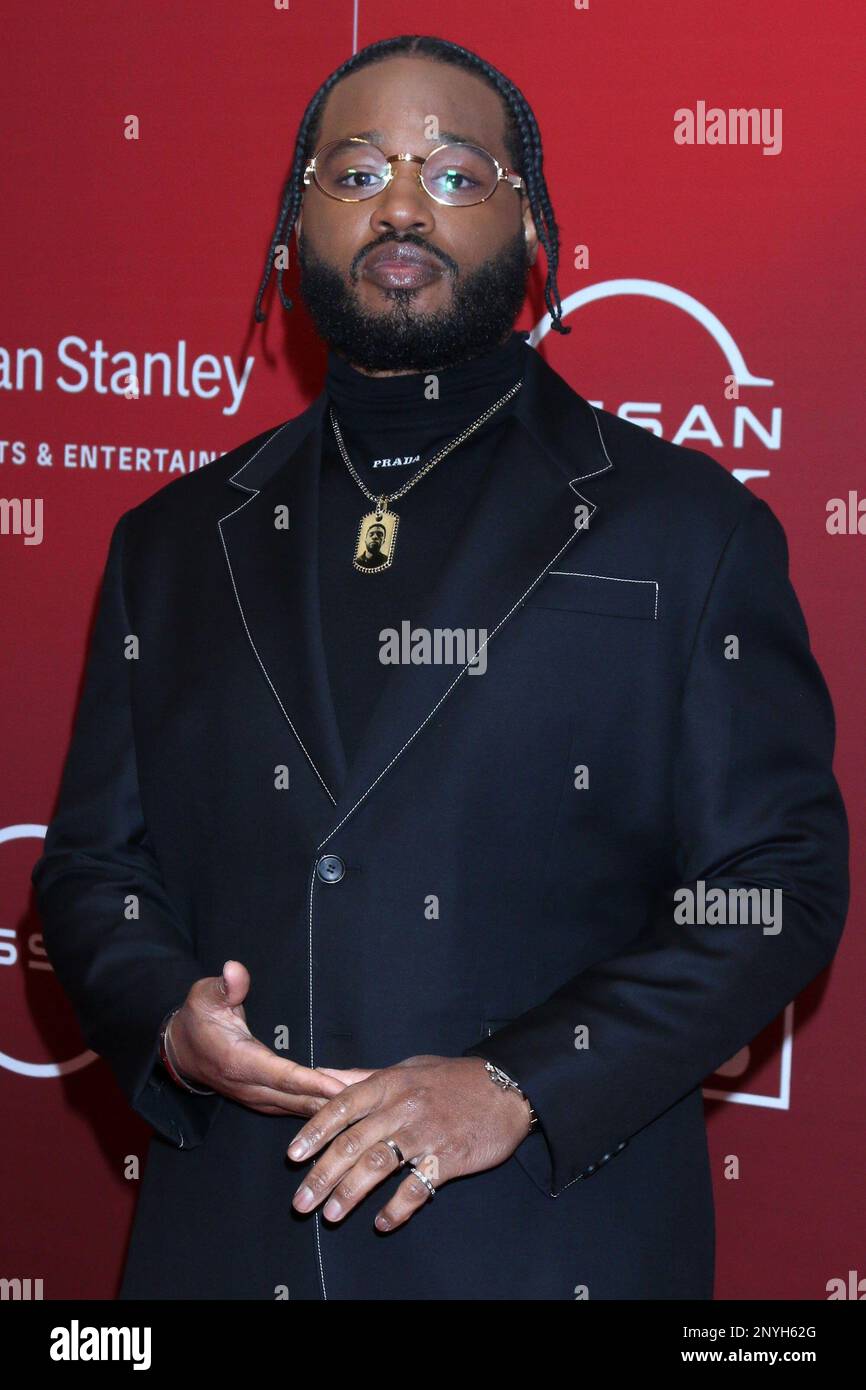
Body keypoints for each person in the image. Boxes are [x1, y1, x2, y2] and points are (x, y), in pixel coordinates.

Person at [33, 33, 849, 1301]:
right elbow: (91, 867)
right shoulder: (171, 544)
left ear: (535, 233)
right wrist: (171, 1021)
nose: (402, 203)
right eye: (354, 170)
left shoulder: (684, 527)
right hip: (227, 1241)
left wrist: (524, 1079)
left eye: (457, 175)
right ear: (291, 223)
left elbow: (774, 881)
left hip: (542, 1242)